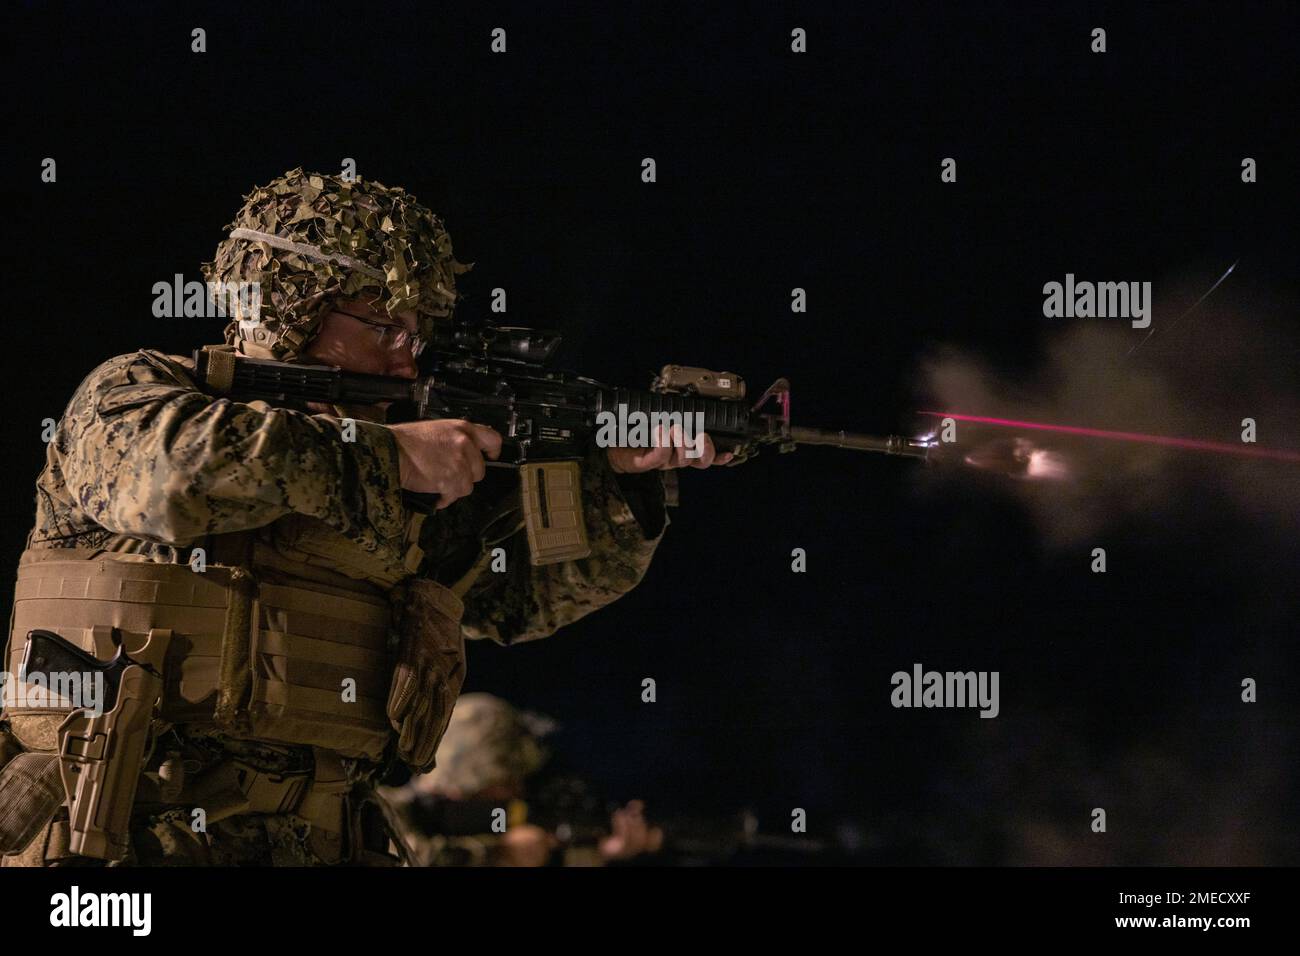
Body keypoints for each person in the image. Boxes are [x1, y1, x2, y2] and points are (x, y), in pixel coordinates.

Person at [0, 168, 729, 866]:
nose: (407, 360)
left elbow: (522, 601)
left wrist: (622, 485)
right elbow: (171, 477)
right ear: (288, 308)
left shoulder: (384, 478)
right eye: (383, 325)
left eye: (419, 332)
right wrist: (388, 459)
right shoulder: (138, 393)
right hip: (120, 834)